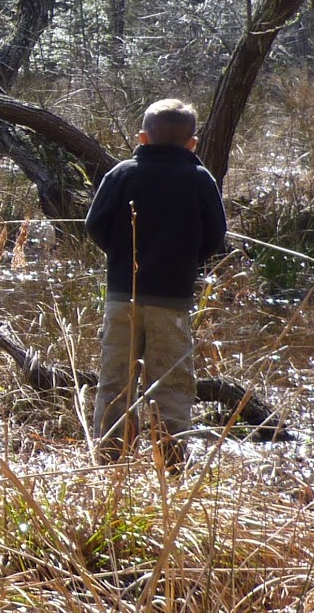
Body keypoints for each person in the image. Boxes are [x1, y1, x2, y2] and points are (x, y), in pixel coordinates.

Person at [84, 97, 227, 455]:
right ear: (192, 143)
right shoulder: (200, 179)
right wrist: (187, 262)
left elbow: (94, 224)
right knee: (172, 383)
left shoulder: (121, 174)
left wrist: (121, 256)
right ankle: (172, 457)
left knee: (115, 380)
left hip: (122, 296)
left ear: (142, 138)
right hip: (172, 299)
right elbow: (216, 236)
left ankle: (110, 454)